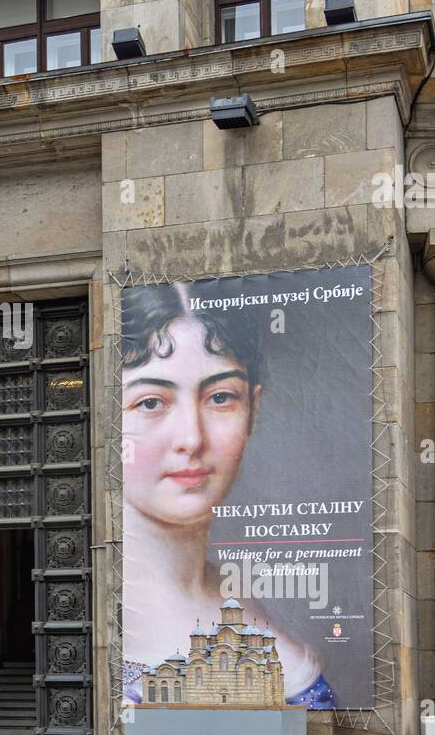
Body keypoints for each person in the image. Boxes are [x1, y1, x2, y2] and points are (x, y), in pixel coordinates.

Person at [121, 282, 334, 709]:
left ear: (253, 410)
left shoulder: (247, 611)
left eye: (220, 398)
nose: (190, 438)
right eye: (150, 403)